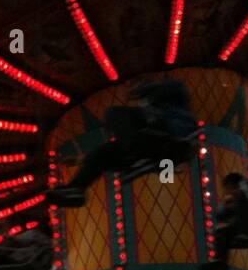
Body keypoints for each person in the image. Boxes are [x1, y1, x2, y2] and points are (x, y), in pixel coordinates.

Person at [47, 80, 197, 206]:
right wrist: (79, 160)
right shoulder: (149, 116)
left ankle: (139, 157)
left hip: (170, 150)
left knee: (115, 114)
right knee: (102, 153)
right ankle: (76, 189)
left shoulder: (175, 109)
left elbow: (176, 90)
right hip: (158, 157)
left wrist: (147, 89)